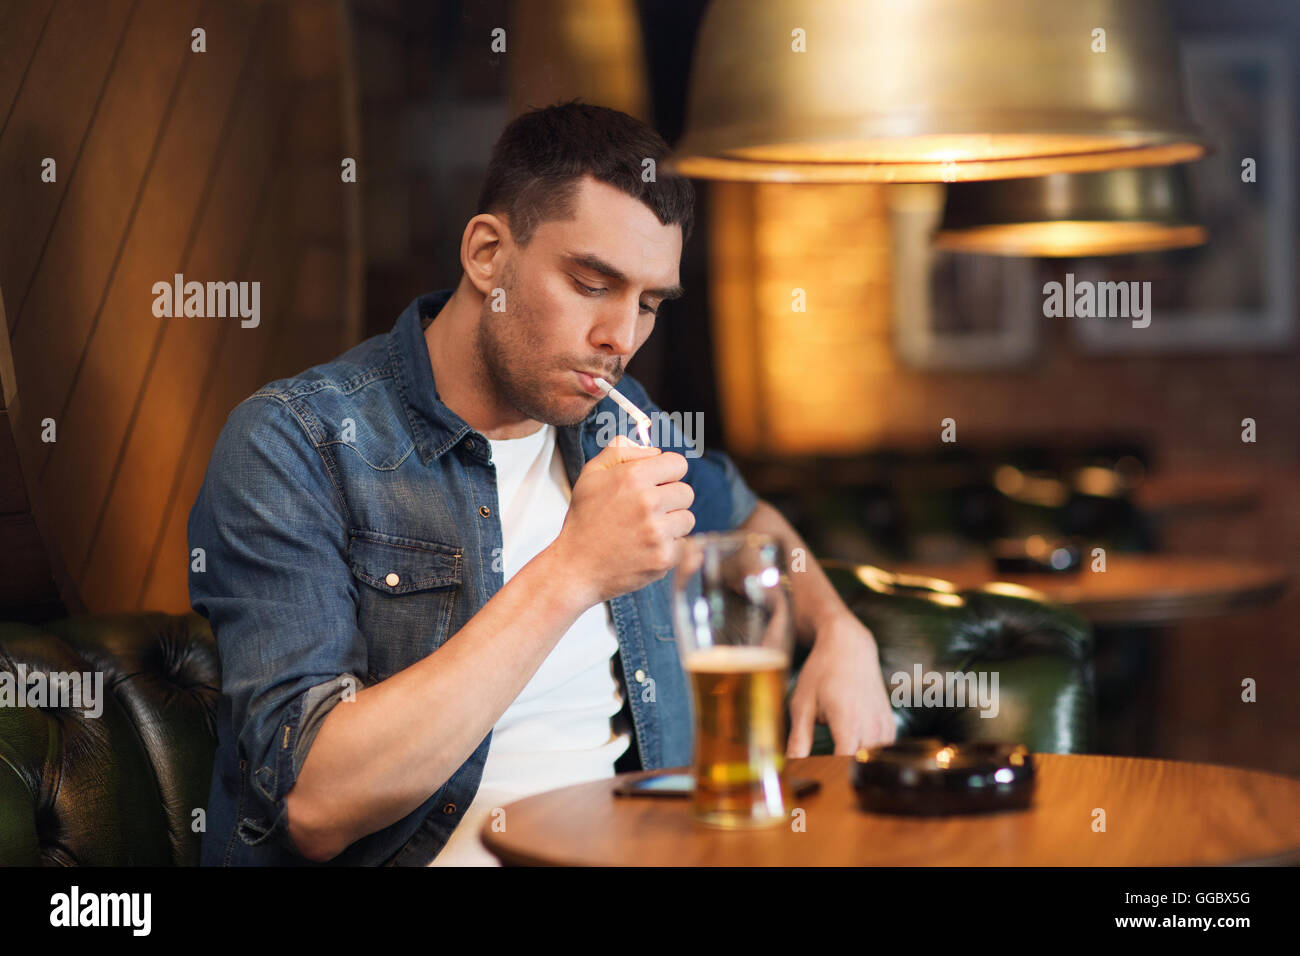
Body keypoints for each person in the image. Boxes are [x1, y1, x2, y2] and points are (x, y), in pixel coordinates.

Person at [188, 100, 896, 867]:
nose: (620, 339)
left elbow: (747, 517)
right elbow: (315, 802)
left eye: (649, 304)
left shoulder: (620, 425)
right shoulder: (298, 443)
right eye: (593, 283)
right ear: (488, 254)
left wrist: (838, 630)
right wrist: (572, 570)